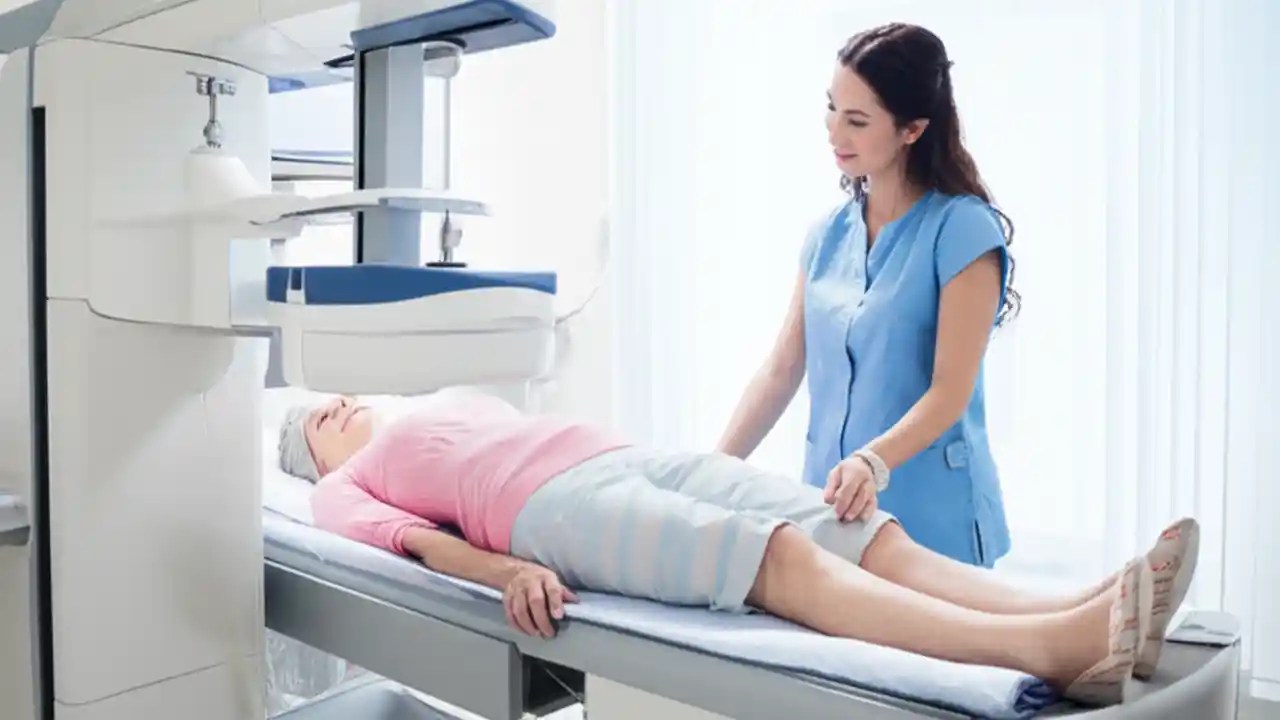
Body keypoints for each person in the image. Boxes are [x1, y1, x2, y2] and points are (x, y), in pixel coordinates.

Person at [277, 392, 1200, 707]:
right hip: (550, 515)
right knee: (778, 562)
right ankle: (1052, 653)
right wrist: (510, 570)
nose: (336, 409)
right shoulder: (336, 492)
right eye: (316, 421)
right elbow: (419, 547)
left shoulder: (426, 403)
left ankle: (1083, 607)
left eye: (336, 398)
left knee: (851, 527)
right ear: (311, 456)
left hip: (624, 455)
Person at [717, 22, 1021, 568]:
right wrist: (711, 470)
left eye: (857, 121)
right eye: (832, 109)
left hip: (930, 517)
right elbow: (783, 369)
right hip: (831, 513)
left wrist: (871, 461)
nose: (836, 132)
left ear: (912, 130)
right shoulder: (828, 236)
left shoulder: (963, 232)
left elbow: (950, 391)